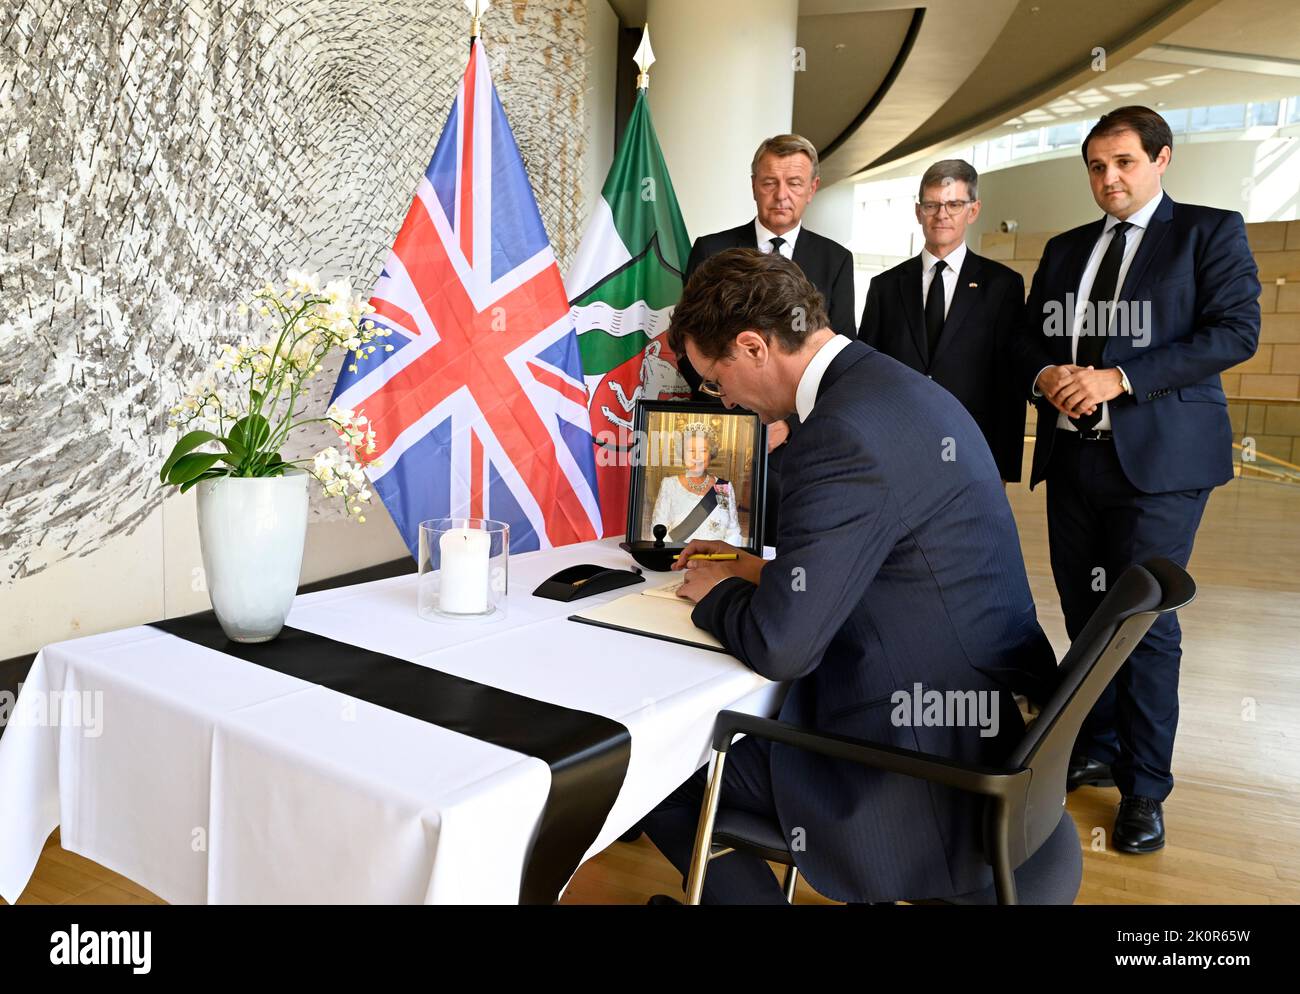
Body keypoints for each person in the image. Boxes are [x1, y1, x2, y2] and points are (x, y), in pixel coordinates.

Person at [638, 248, 1057, 904]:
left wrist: (719, 593)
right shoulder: (893, 386)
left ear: (752, 347)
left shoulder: (840, 436)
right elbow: (888, 560)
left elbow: (783, 647)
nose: (725, 402)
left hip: (904, 769)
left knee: (650, 770)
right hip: (984, 729)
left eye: (717, 382)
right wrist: (763, 571)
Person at [1016, 105, 1260, 854]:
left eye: (1123, 162)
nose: (1109, 178)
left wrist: (1119, 378)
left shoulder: (1208, 232)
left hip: (1162, 465)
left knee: (1144, 623)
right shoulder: (1066, 249)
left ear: (1162, 160)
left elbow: (1234, 333)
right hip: (1074, 459)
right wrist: (1048, 372)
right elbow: (1032, 340)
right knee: (1088, 616)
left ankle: (1146, 787)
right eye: (1096, 165)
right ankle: (1098, 743)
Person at [677, 135, 856, 543]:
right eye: (769, 182)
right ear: (754, 184)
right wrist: (731, 405)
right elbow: (689, 344)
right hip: (721, 433)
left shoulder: (834, 259)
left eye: (794, 183)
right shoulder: (711, 249)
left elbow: (835, 353)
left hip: (794, 440)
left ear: (812, 188)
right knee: (710, 539)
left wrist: (786, 421)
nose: (781, 195)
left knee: (784, 544)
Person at [858, 159, 1027, 482]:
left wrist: (1003, 467)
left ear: (973, 210)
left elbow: (1008, 381)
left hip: (972, 450)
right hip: (896, 450)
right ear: (918, 211)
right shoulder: (885, 286)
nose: (942, 214)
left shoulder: (1002, 285)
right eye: (932, 205)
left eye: (954, 204)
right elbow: (867, 372)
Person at [649, 422, 742, 545]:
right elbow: (658, 531)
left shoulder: (722, 488)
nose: (696, 457)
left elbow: (733, 531)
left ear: (711, 454)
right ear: (682, 454)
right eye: (690, 450)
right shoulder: (670, 485)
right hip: (679, 558)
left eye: (703, 451)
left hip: (716, 559)